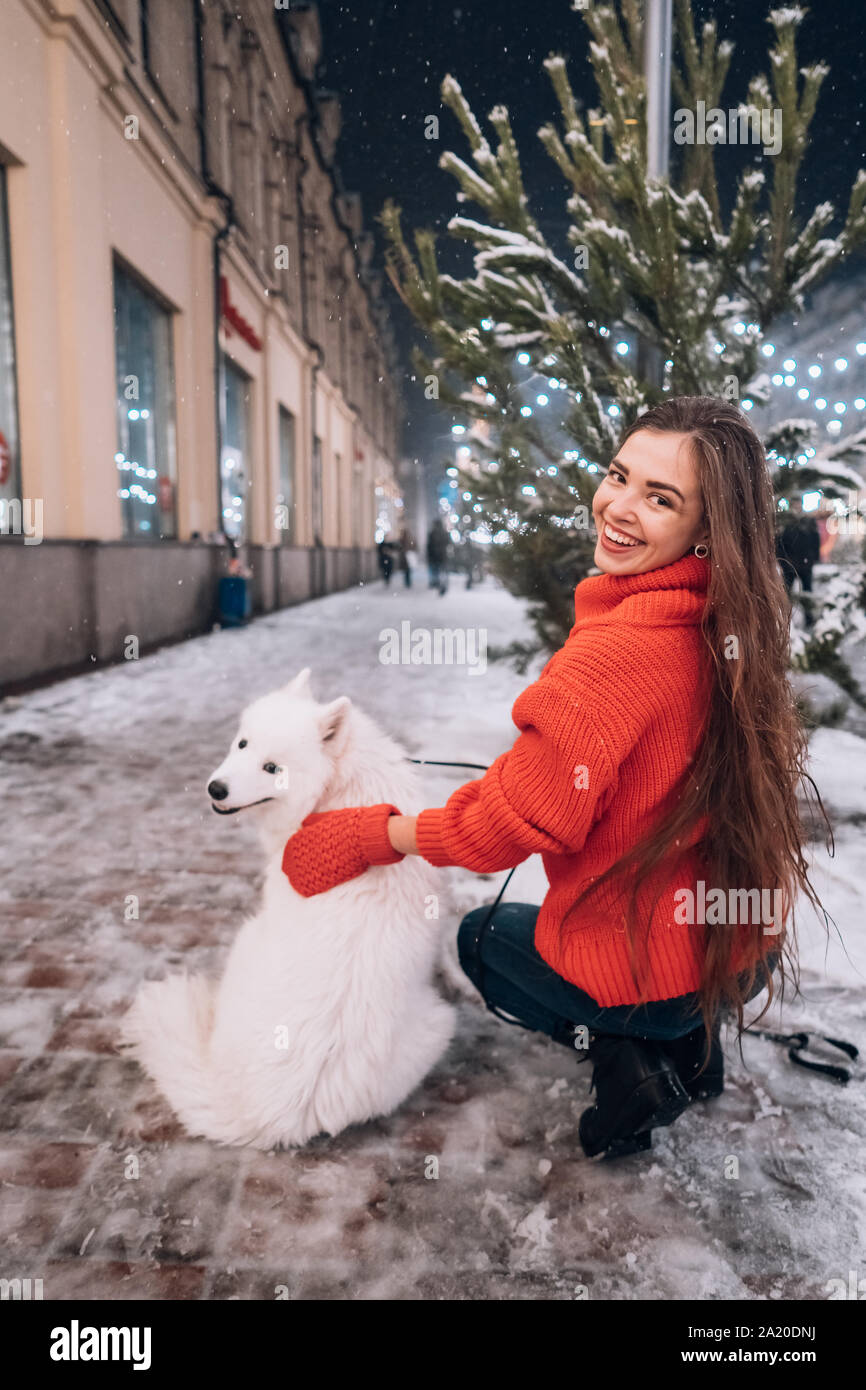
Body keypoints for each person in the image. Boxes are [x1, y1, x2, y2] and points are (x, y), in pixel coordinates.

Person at [281, 398, 828, 1160]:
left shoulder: (615, 655)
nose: (619, 507)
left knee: (482, 942)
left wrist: (376, 833)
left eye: (660, 498)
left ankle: (629, 1062)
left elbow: (506, 827)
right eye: (619, 476)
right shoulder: (729, 621)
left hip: (660, 974)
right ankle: (693, 1048)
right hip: (741, 952)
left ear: (706, 532)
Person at [775, 510, 821, 628]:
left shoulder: (809, 524)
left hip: (804, 566)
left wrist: (812, 559)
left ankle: (808, 619)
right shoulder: (787, 525)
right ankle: (785, 620)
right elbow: (780, 545)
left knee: (806, 593)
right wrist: (784, 562)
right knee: (787, 594)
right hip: (791, 566)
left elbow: (816, 543)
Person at [426, 518, 450, 595]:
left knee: (435, 571)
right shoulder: (444, 533)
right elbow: (448, 543)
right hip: (442, 556)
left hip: (434, 557)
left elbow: (428, 546)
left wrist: (429, 556)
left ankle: (436, 583)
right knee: (443, 571)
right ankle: (443, 585)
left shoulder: (432, 533)